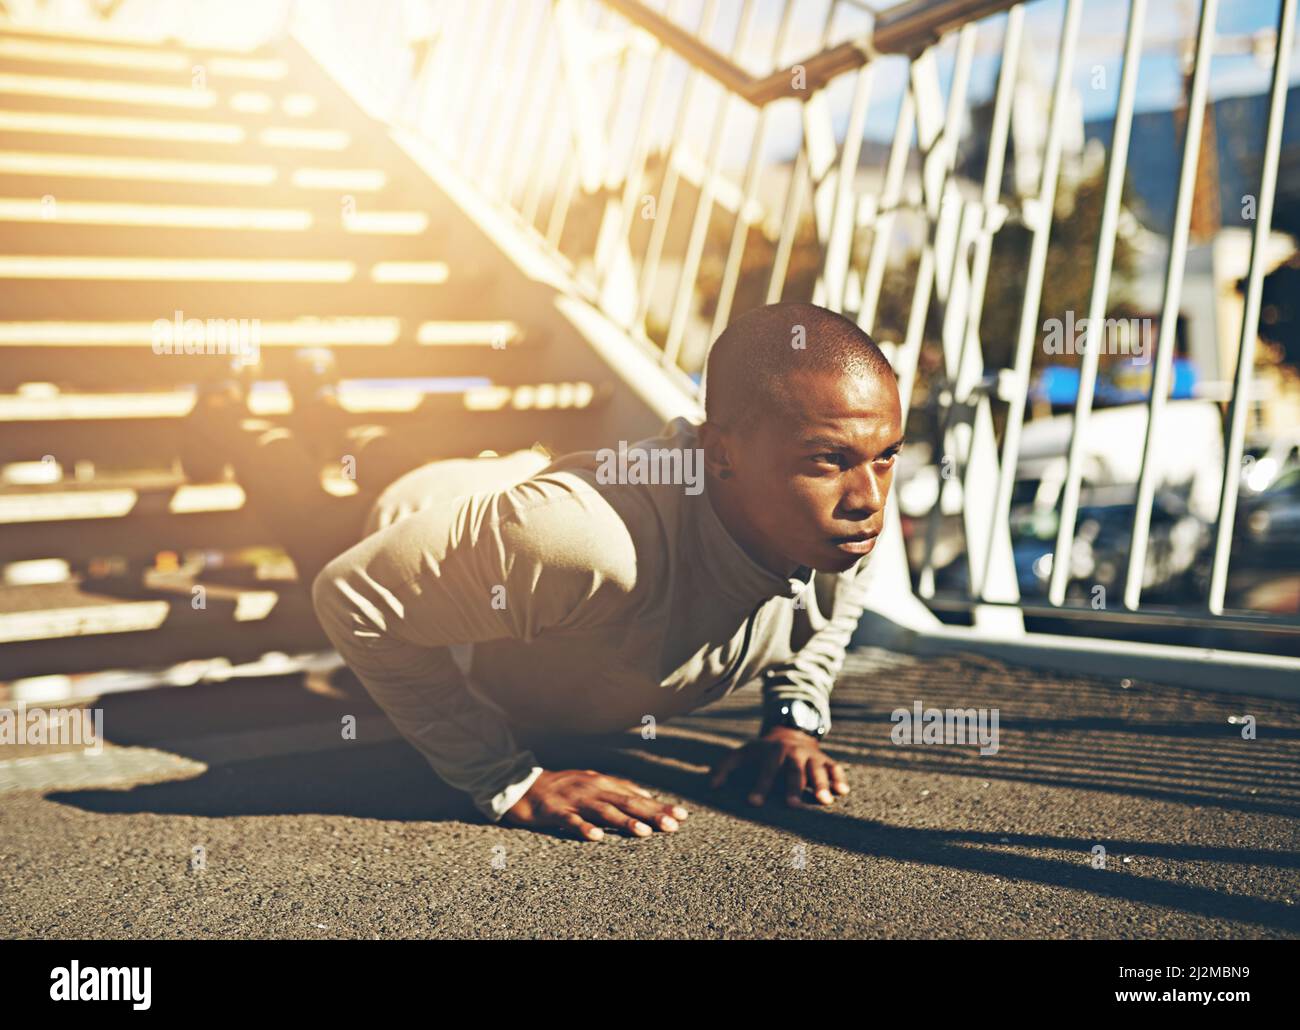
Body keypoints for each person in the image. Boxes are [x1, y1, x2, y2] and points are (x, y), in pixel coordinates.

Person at [311, 302, 904, 841]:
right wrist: (505, 779)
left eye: (887, 455)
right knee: (308, 478)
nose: (869, 497)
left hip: (522, 493)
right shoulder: (586, 542)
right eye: (827, 458)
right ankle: (278, 418)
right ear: (721, 453)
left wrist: (791, 721)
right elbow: (353, 596)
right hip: (421, 507)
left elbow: (816, 618)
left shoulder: (843, 517)